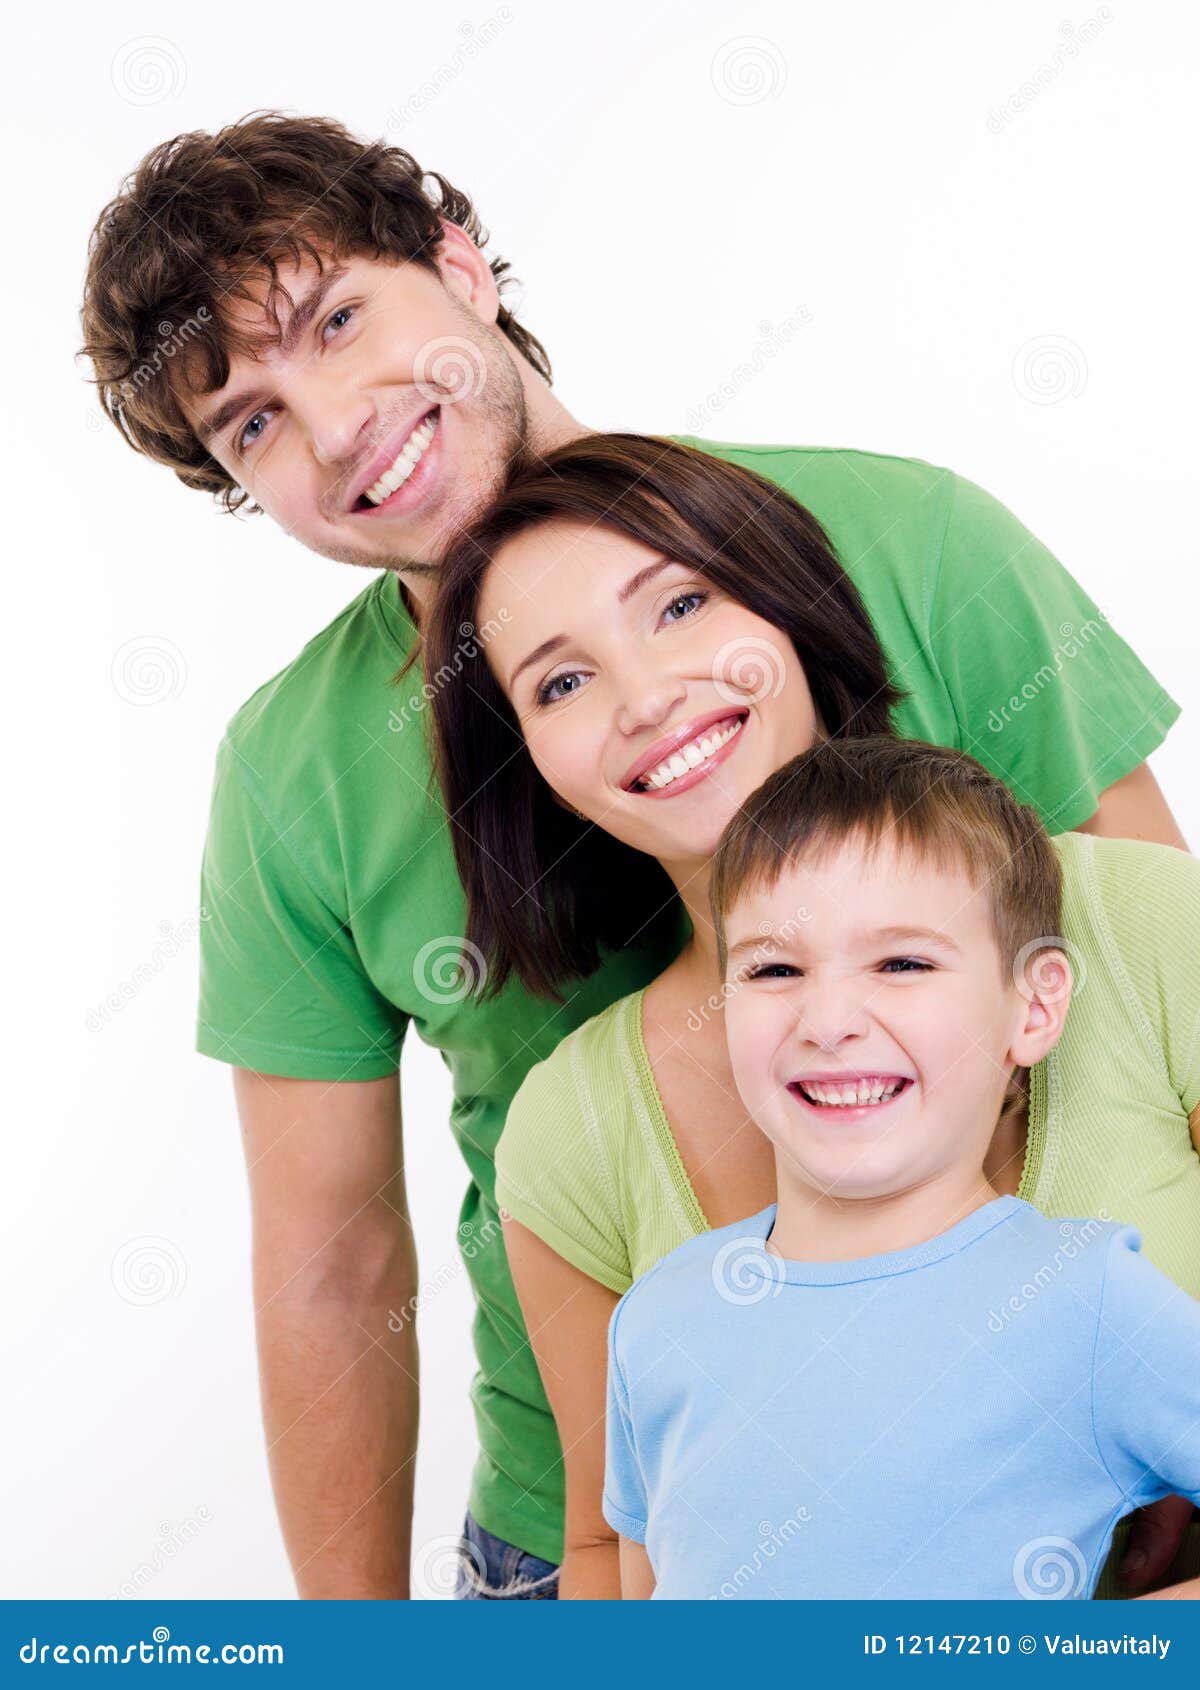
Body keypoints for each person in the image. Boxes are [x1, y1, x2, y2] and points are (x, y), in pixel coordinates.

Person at [79, 111, 1185, 1601]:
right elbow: (334, 1267)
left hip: (1094, 1474)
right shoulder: (295, 777)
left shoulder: (915, 537)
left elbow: (1162, 1014)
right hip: (605, 1521)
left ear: (460, 265)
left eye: (340, 321)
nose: (337, 424)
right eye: (253, 423)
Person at [424, 431, 1200, 1598]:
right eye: (562, 681)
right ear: (527, 757)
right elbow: (607, 1551)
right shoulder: (571, 1131)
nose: (644, 696)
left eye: (680, 604)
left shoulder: (1140, 919)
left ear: (788, 607)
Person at [602, 736, 1200, 1601]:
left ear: (1034, 1006)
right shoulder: (658, 1316)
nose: (829, 1018)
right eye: (774, 968)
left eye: (902, 963)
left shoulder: (1085, 1296)